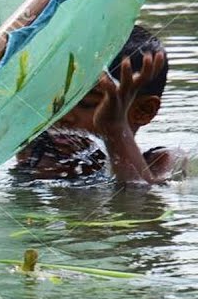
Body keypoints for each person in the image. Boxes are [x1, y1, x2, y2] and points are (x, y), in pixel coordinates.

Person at [15, 26, 177, 185]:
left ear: (143, 111)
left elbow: (138, 204)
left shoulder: (162, 161)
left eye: (86, 103)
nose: (64, 116)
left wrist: (115, 130)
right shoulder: (35, 152)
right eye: (58, 102)